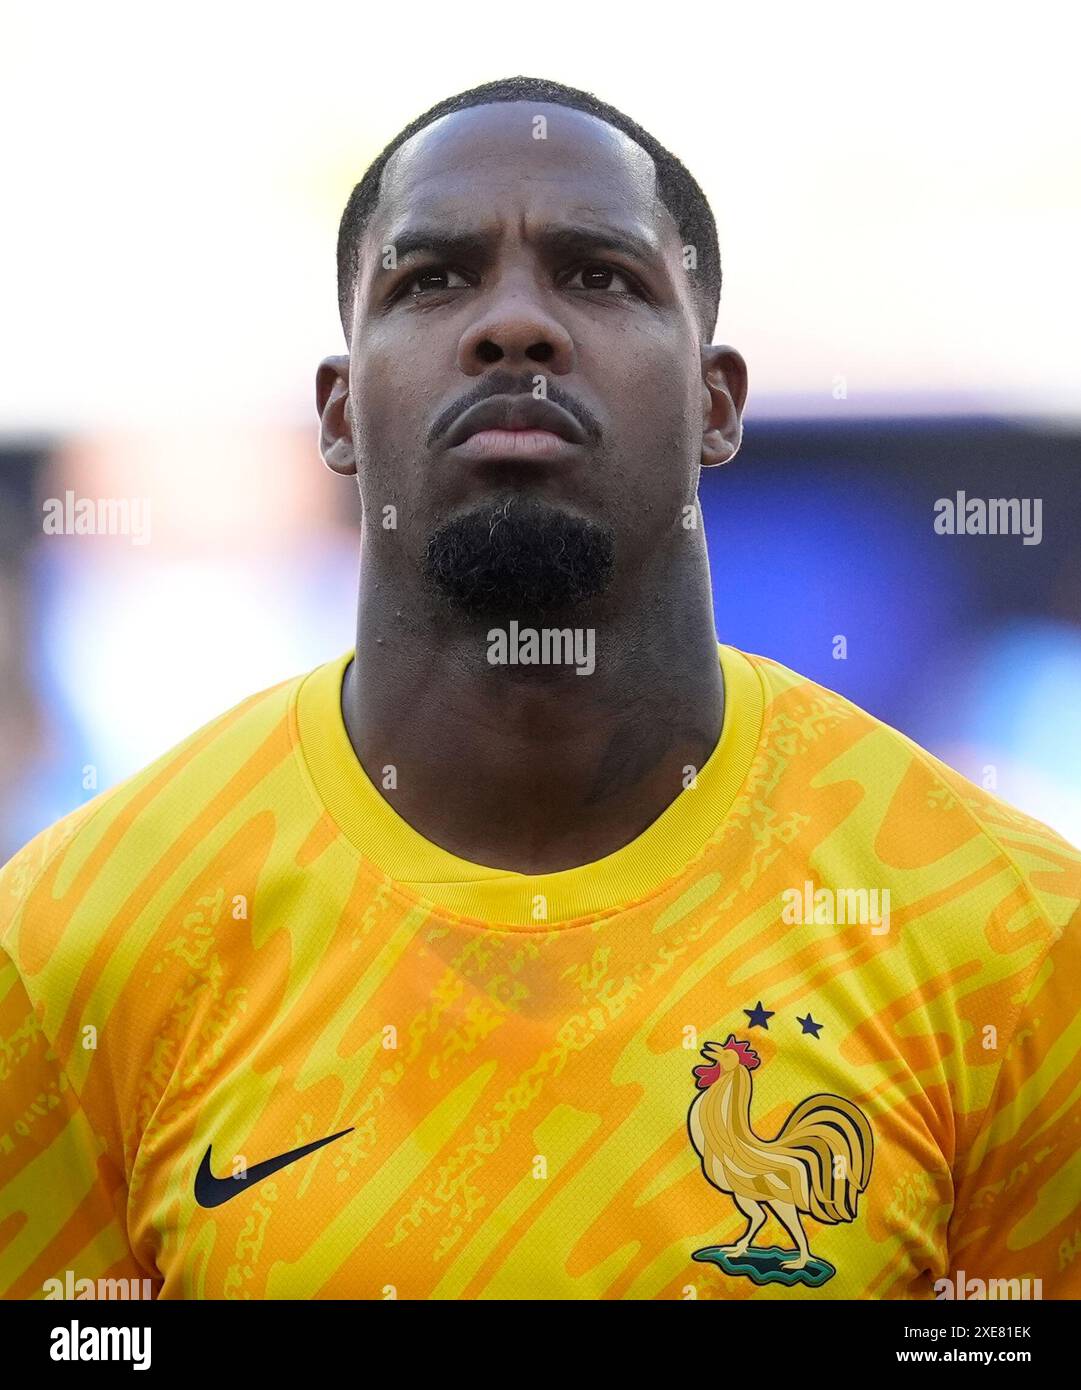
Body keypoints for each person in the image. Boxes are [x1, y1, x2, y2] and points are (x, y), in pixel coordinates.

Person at [1, 75, 1077, 1302]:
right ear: (340, 409)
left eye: (599, 274)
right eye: (432, 280)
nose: (515, 325)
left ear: (716, 403)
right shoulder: (69, 945)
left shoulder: (1015, 936)